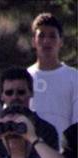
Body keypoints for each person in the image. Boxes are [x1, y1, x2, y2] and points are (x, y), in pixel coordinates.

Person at [0, 69, 58, 158]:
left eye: (21, 92)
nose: (15, 97)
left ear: (31, 93)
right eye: (9, 93)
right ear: (2, 96)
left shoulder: (46, 131)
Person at [27, 13, 78, 143]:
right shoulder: (26, 77)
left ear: (60, 41)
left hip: (64, 155)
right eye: (41, 36)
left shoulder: (73, 77)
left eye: (52, 36)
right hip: (31, 154)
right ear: (33, 41)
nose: (46, 41)